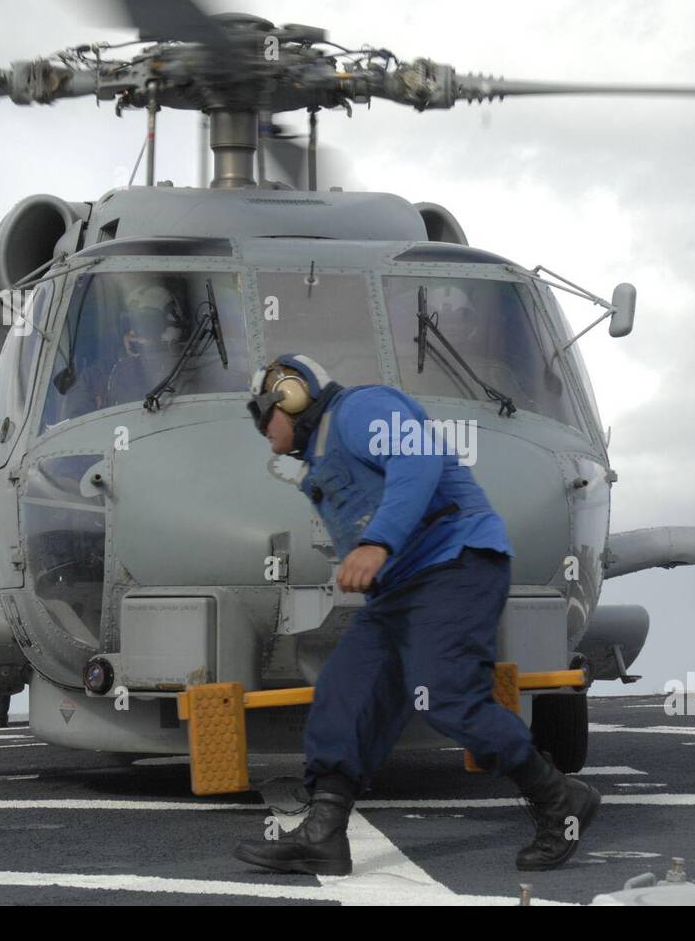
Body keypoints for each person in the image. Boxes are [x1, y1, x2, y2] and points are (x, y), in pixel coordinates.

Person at [232, 353, 601, 874]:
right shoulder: (320, 456)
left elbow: (418, 461)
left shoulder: (361, 410)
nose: (261, 431)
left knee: (449, 697)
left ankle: (559, 799)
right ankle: (323, 834)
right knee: (345, 690)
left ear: (288, 396)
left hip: (457, 565)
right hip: (400, 592)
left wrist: (377, 543)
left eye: (260, 416)